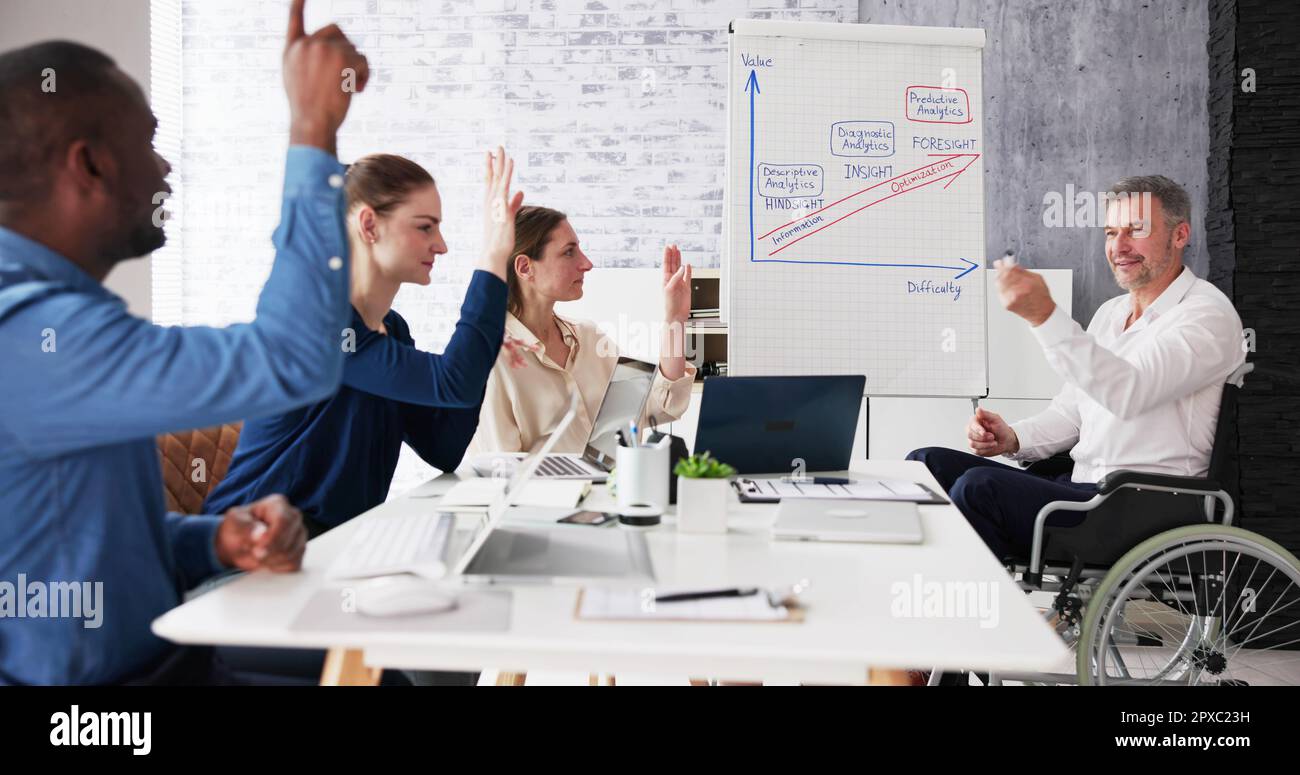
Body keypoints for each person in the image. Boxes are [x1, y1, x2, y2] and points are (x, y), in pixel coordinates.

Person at [0, 0, 369, 684]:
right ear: (90, 166)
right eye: (147, 141)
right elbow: (292, 359)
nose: (164, 168)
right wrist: (312, 128)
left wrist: (215, 538)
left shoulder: (53, 324)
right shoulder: (27, 337)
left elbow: (77, 541)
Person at [908, 175, 1245, 560]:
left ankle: (980, 612)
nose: (1118, 247)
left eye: (1136, 230)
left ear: (1180, 234)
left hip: (1144, 507)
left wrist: (1045, 316)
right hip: (1083, 490)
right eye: (1110, 232)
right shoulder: (1111, 313)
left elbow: (1128, 393)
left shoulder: (1206, 316)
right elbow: (1070, 414)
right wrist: (1011, 437)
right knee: (925, 465)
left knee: (977, 488)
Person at [203, 149, 526, 535]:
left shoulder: (392, 329)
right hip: (248, 561)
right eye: (425, 227)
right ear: (369, 226)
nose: (441, 245)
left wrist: (484, 346)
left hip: (331, 550)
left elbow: (444, 447)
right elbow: (451, 381)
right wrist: (493, 255)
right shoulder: (319, 324)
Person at [469, 205, 696, 454]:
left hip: (608, 489)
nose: (586, 264)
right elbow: (501, 474)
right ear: (525, 268)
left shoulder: (588, 337)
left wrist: (675, 317)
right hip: (544, 493)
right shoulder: (492, 358)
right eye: (569, 252)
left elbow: (659, 404)